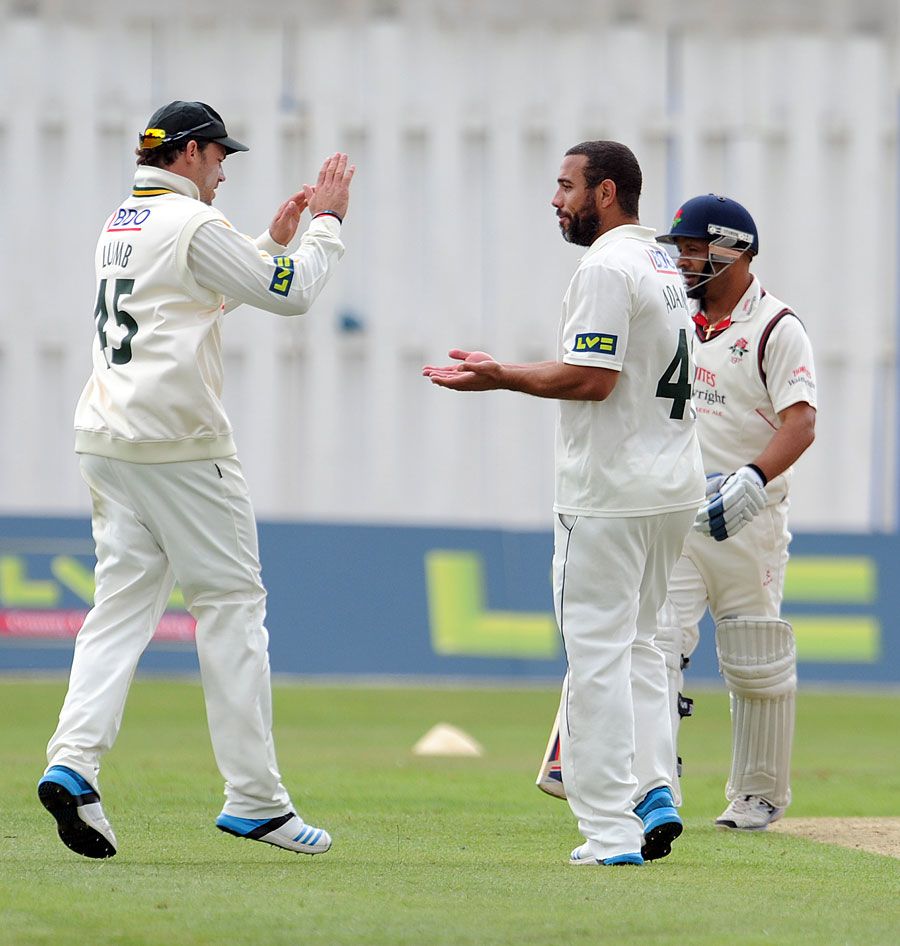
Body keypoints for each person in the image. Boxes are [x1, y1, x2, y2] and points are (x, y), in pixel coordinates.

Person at [37, 100, 355, 859]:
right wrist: (327, 224)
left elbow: (190, 298)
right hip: (180, 446)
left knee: (119, 610)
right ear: (187, 154)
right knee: (231, 608)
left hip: (108, 439)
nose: (223, 171)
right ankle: (256, 801)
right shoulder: (192, 223)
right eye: (219, 156)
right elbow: (292, 294)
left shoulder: (123, 222)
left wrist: (267, 243)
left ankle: (73, 762)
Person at [424, 141, 705, 866]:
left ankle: (610, 832)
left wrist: (501, 375)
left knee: (597, 659)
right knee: (641, 646)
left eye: (565, 186)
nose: (555, 200)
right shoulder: (663, 264)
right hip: (671, 490)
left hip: (611, 495)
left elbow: (591, 378)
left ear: (605, 193)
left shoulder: (607, 267)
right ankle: (654, 786)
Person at [655, 194, 817, 830]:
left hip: (750, 519)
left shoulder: (778, 327)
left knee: (755, 659)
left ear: (734, 252)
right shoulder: (674, 317)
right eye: (681, 250)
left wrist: (752, 478)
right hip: (680, 515)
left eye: (695, 249)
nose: (685, 261)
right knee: (658, 644)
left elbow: (800, 423)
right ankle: (652, 784)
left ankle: (758, 795)